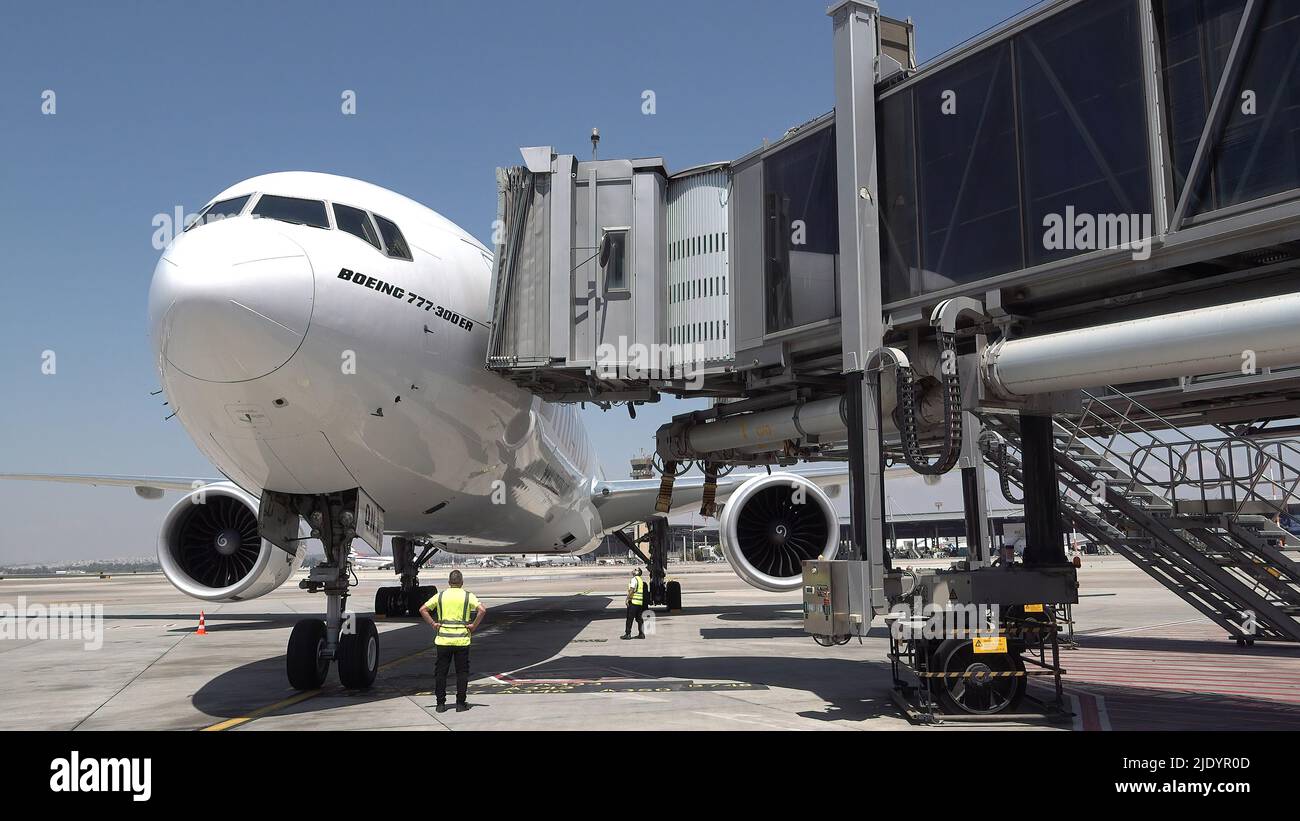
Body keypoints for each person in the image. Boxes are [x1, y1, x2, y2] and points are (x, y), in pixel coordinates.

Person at [419, 569, 487, 712]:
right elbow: (482, 610)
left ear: (449, 583)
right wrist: (473, 626)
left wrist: (433, 624)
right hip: (462, 640)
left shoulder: (441, 596)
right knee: (462, 672)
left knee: (441, 673)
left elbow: (423, 609)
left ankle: (440, 704)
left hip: (443, 641)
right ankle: (461, 704)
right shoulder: (468, 596)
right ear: (462, 582)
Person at [622, 567, 647, 640]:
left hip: (633, 602)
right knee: (639, 619)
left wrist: (627, 599)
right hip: (639, 602)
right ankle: (641, 634)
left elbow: (632, 589)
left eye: (635, 570)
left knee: (629, 619)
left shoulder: (634, 579)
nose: (633, 570)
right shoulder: (640, 580)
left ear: (637, 572)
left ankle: (628, 634)